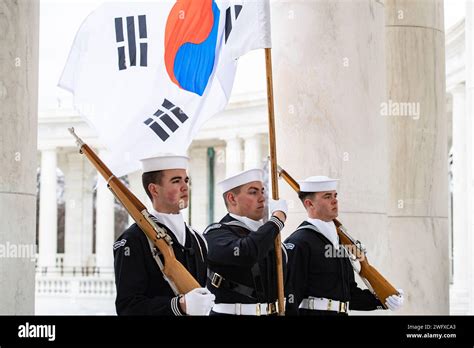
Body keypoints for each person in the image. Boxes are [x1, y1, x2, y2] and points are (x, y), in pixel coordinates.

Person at [284, 175, 404, 316]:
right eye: (327, 196)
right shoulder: (299, 242)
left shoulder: (338, 241)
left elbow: (349, 294)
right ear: (310, 204)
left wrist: (384, 299)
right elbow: (291, 296)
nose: (335, 200)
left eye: (335, 195)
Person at [113, 155, 215, 315]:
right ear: (154, 189)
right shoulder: (133, 240)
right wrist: (178, 305)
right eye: (176, 181)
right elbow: (128, 307)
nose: (184, 186)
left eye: (186, 180)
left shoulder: (198, 239)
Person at [203, 168, 288, 316]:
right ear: (232, 198)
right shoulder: (215, 233)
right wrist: (276, 220)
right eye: (253, 192)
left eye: (262, 191)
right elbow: (247, 253)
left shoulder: (267, 234)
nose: (262, 198)